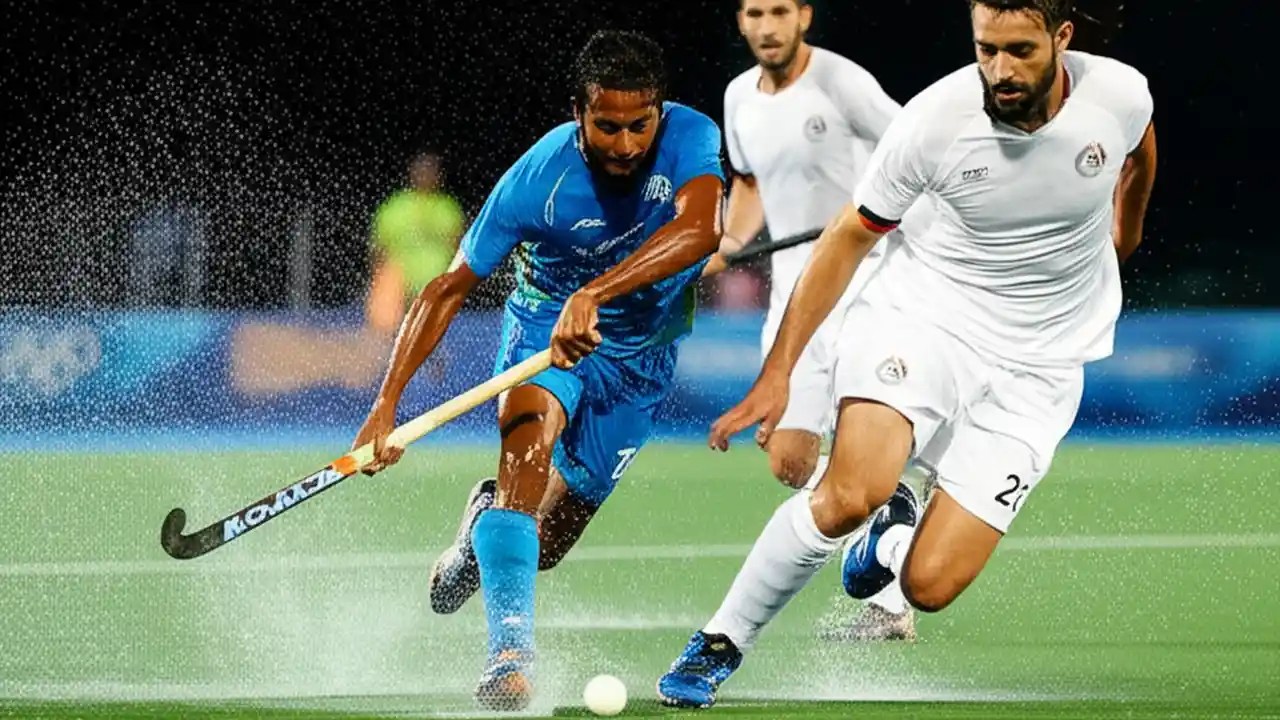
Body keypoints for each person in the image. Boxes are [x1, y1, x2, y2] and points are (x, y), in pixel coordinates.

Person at [658, 0, 1156, 708]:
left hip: (1042, 366)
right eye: (987, 49)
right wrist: (779, 375)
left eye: (1020, 50)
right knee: (845, 493)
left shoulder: (1120, 93)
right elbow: (845, 239)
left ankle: (887, 544)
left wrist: (1122, 235)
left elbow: (1140, 151)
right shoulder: (934, 121)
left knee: (930, 585)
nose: (1000, 69)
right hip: (926, 318)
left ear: (1062, 39)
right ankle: (720, 642)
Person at [351, 30, 724, 712]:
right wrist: (387, 405)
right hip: (544, 334)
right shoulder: (536, 179)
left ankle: (477, 535)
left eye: (639, 125)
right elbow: (446, 288)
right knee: (524, 455)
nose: (624, 144)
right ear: (578, 113)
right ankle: (509, 657)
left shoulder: (692, 136)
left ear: (659, 112)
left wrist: (598, 294)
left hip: (641, 358)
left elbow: (701, 231)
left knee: (546, 544)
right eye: (606, 126)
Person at [703, 0, 927, 643]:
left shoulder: (843, 83)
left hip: (868, 283)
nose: (767, 26)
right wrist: (728, 246)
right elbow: (749, 184)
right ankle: (890, 506)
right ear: (739, 21)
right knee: (790, 461)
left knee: (857, 436)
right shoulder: (738, 96)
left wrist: (887, 213)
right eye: (754, 12)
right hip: (795, 294)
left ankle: (887, 596)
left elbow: (918, 148)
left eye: (780, 11)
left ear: (804, 15)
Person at [364, 151, 467, 334]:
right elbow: (378, 251)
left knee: (430, 342)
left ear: (439, 176)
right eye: (422, 170)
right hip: (399, 290)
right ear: (411, 173)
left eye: (431, 170)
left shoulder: (448, 208)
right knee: (393, 339)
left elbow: (461, 250)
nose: (426, 175)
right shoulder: (395, 207)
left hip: (435, 288)